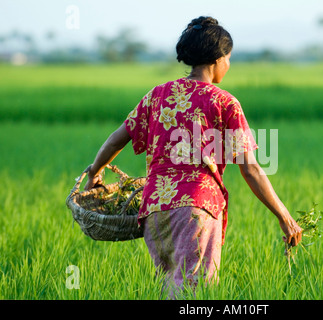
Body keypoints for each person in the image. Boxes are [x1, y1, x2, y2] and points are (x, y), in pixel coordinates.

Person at [84, 16, 302, 299]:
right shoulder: (224, 102)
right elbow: (250, 169)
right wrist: (284, 216)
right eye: (229, 57)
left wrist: (94, 173)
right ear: (217, 58)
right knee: (194, 294)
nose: (229, 64)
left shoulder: (158, 95)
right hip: (195, 209)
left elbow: (117, 138)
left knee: (170, 287)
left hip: (155, 211)